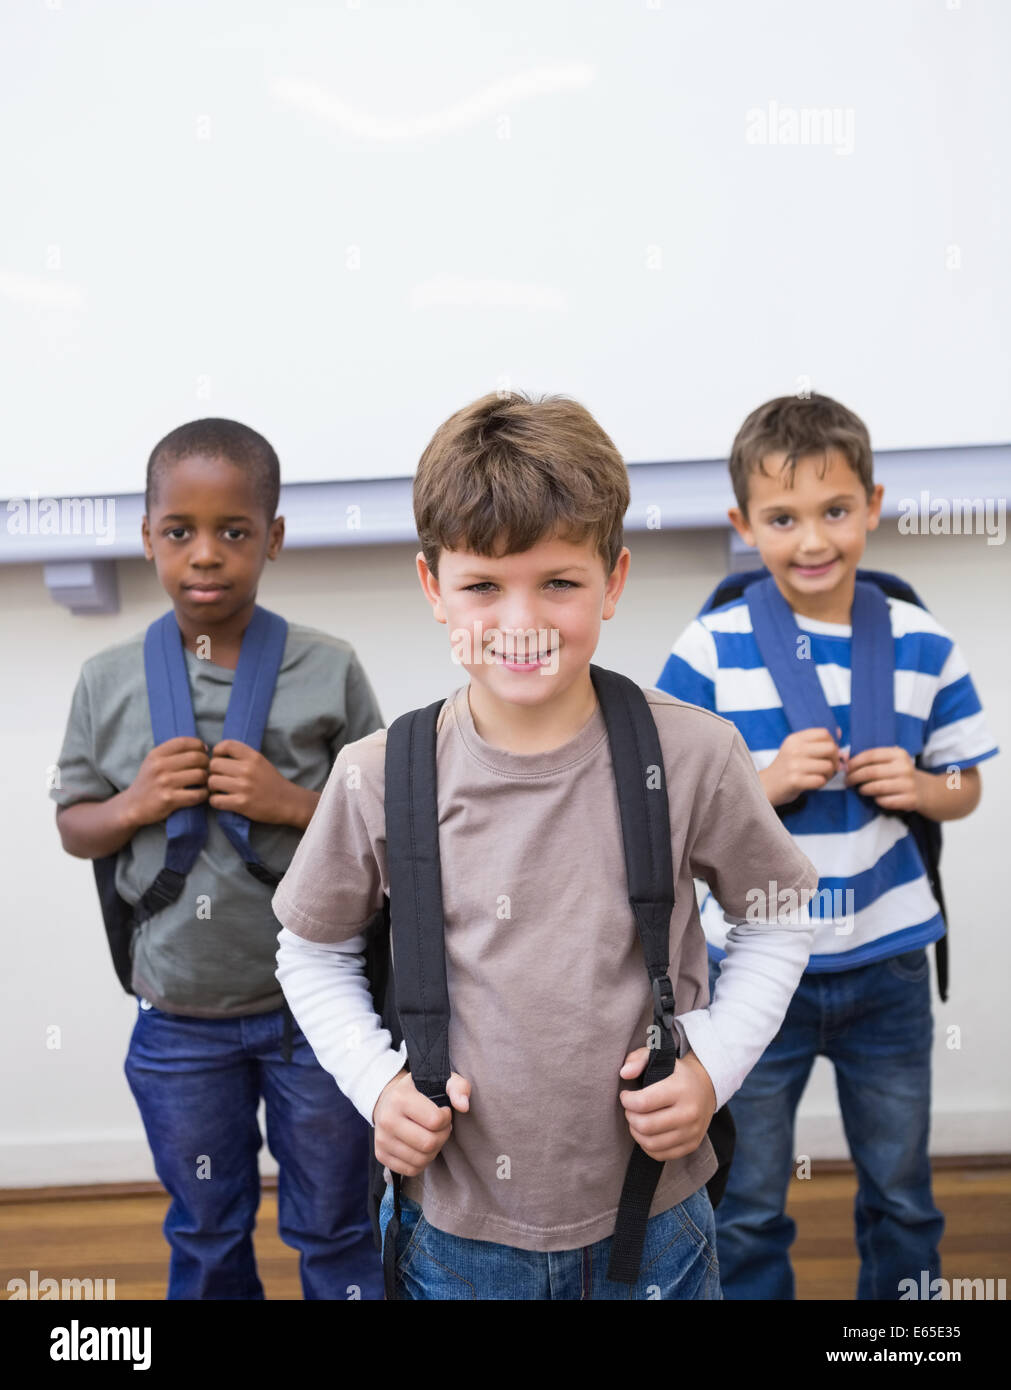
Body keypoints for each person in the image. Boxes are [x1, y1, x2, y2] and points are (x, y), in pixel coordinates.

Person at [272, 390, 819, 1301]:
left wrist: (711, 1071)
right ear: (431, 589)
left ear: (612, 582)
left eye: (558, 583)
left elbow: (777, 920)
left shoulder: (693, 753)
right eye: (483, 584)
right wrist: (377, 1087)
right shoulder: (377, 773)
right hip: (454, 1236)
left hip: (656, 1223)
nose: (521, 621)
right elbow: (310, 948)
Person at [656, 392, 999, 1300]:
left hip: (887, 966)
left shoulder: (920, 640)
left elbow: (966, 784)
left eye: (835, 511)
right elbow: (661, 801)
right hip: (754, 972)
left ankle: (900, 1338)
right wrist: (763, 782)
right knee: (749, 1195)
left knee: (900, 1191)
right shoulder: (713, 646)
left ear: (873, 505)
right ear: (741, 525)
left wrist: (925, 790)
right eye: (782, 518)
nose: (812, 540)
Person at [51, 418, 385, 1300]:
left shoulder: (328, 667)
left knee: (340, 1226)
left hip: (318, 1015)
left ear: (272, 539)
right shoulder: (106, 678)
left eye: (234, 532)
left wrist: (289, 804)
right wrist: (132, 806)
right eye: (179, 532)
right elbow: (74, 826)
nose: (205, 555)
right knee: (203, 1230)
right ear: (147, 538)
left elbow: (391, 828)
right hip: (178, 1020)